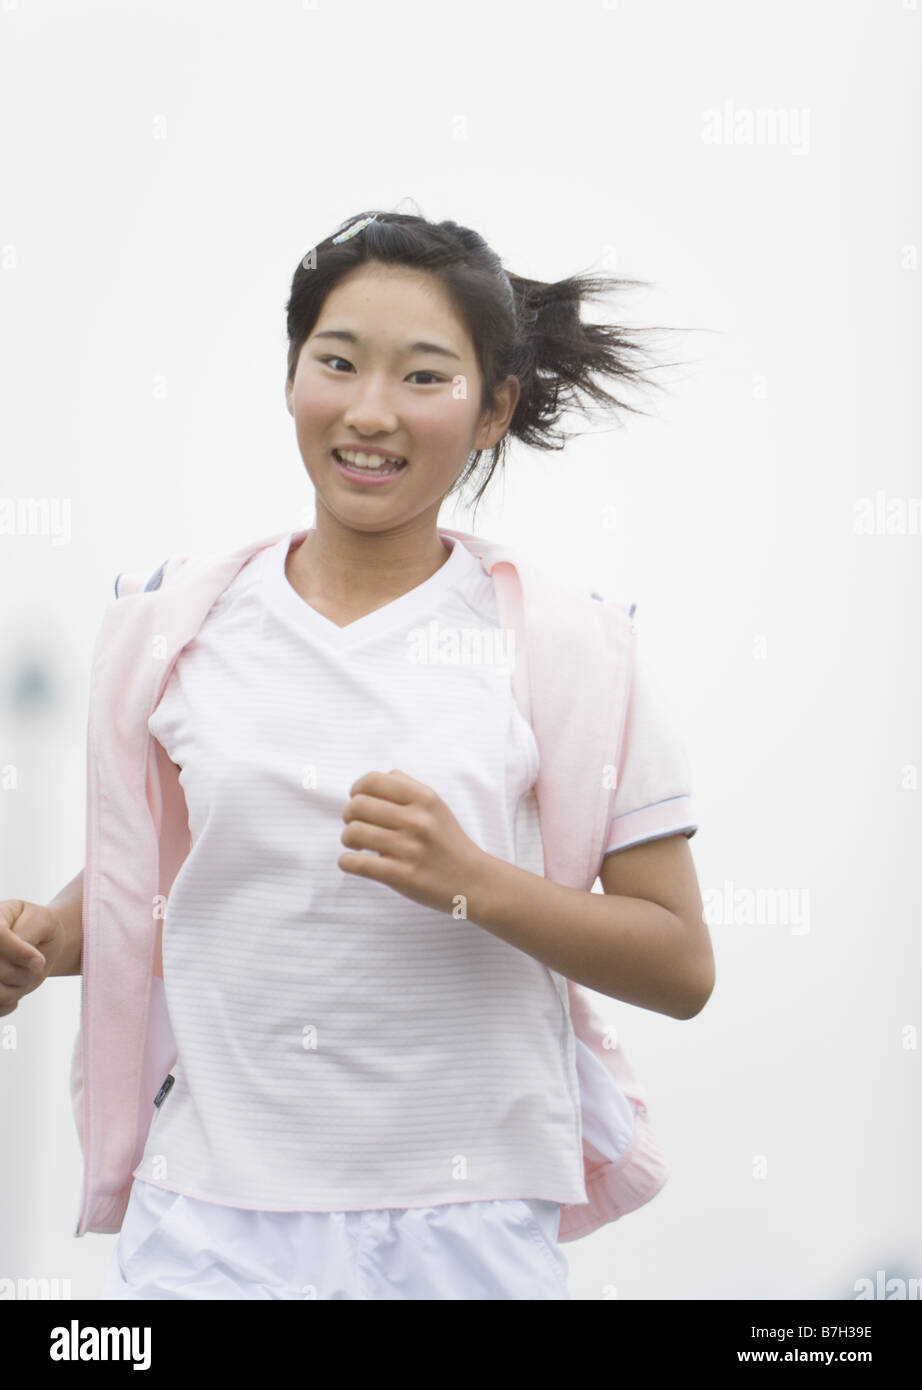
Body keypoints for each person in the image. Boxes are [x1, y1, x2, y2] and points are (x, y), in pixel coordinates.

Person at [1, 207, 715, 1299]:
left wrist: (475, 884)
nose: (369, 411)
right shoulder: (175, 626)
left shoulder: (572, 646)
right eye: (336, 362)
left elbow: (679, 964)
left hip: (464, 1229)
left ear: (493, 412)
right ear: (292, 377)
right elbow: (175, 882)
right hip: (207, 1222)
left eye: (424, 377)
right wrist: (48, 938)